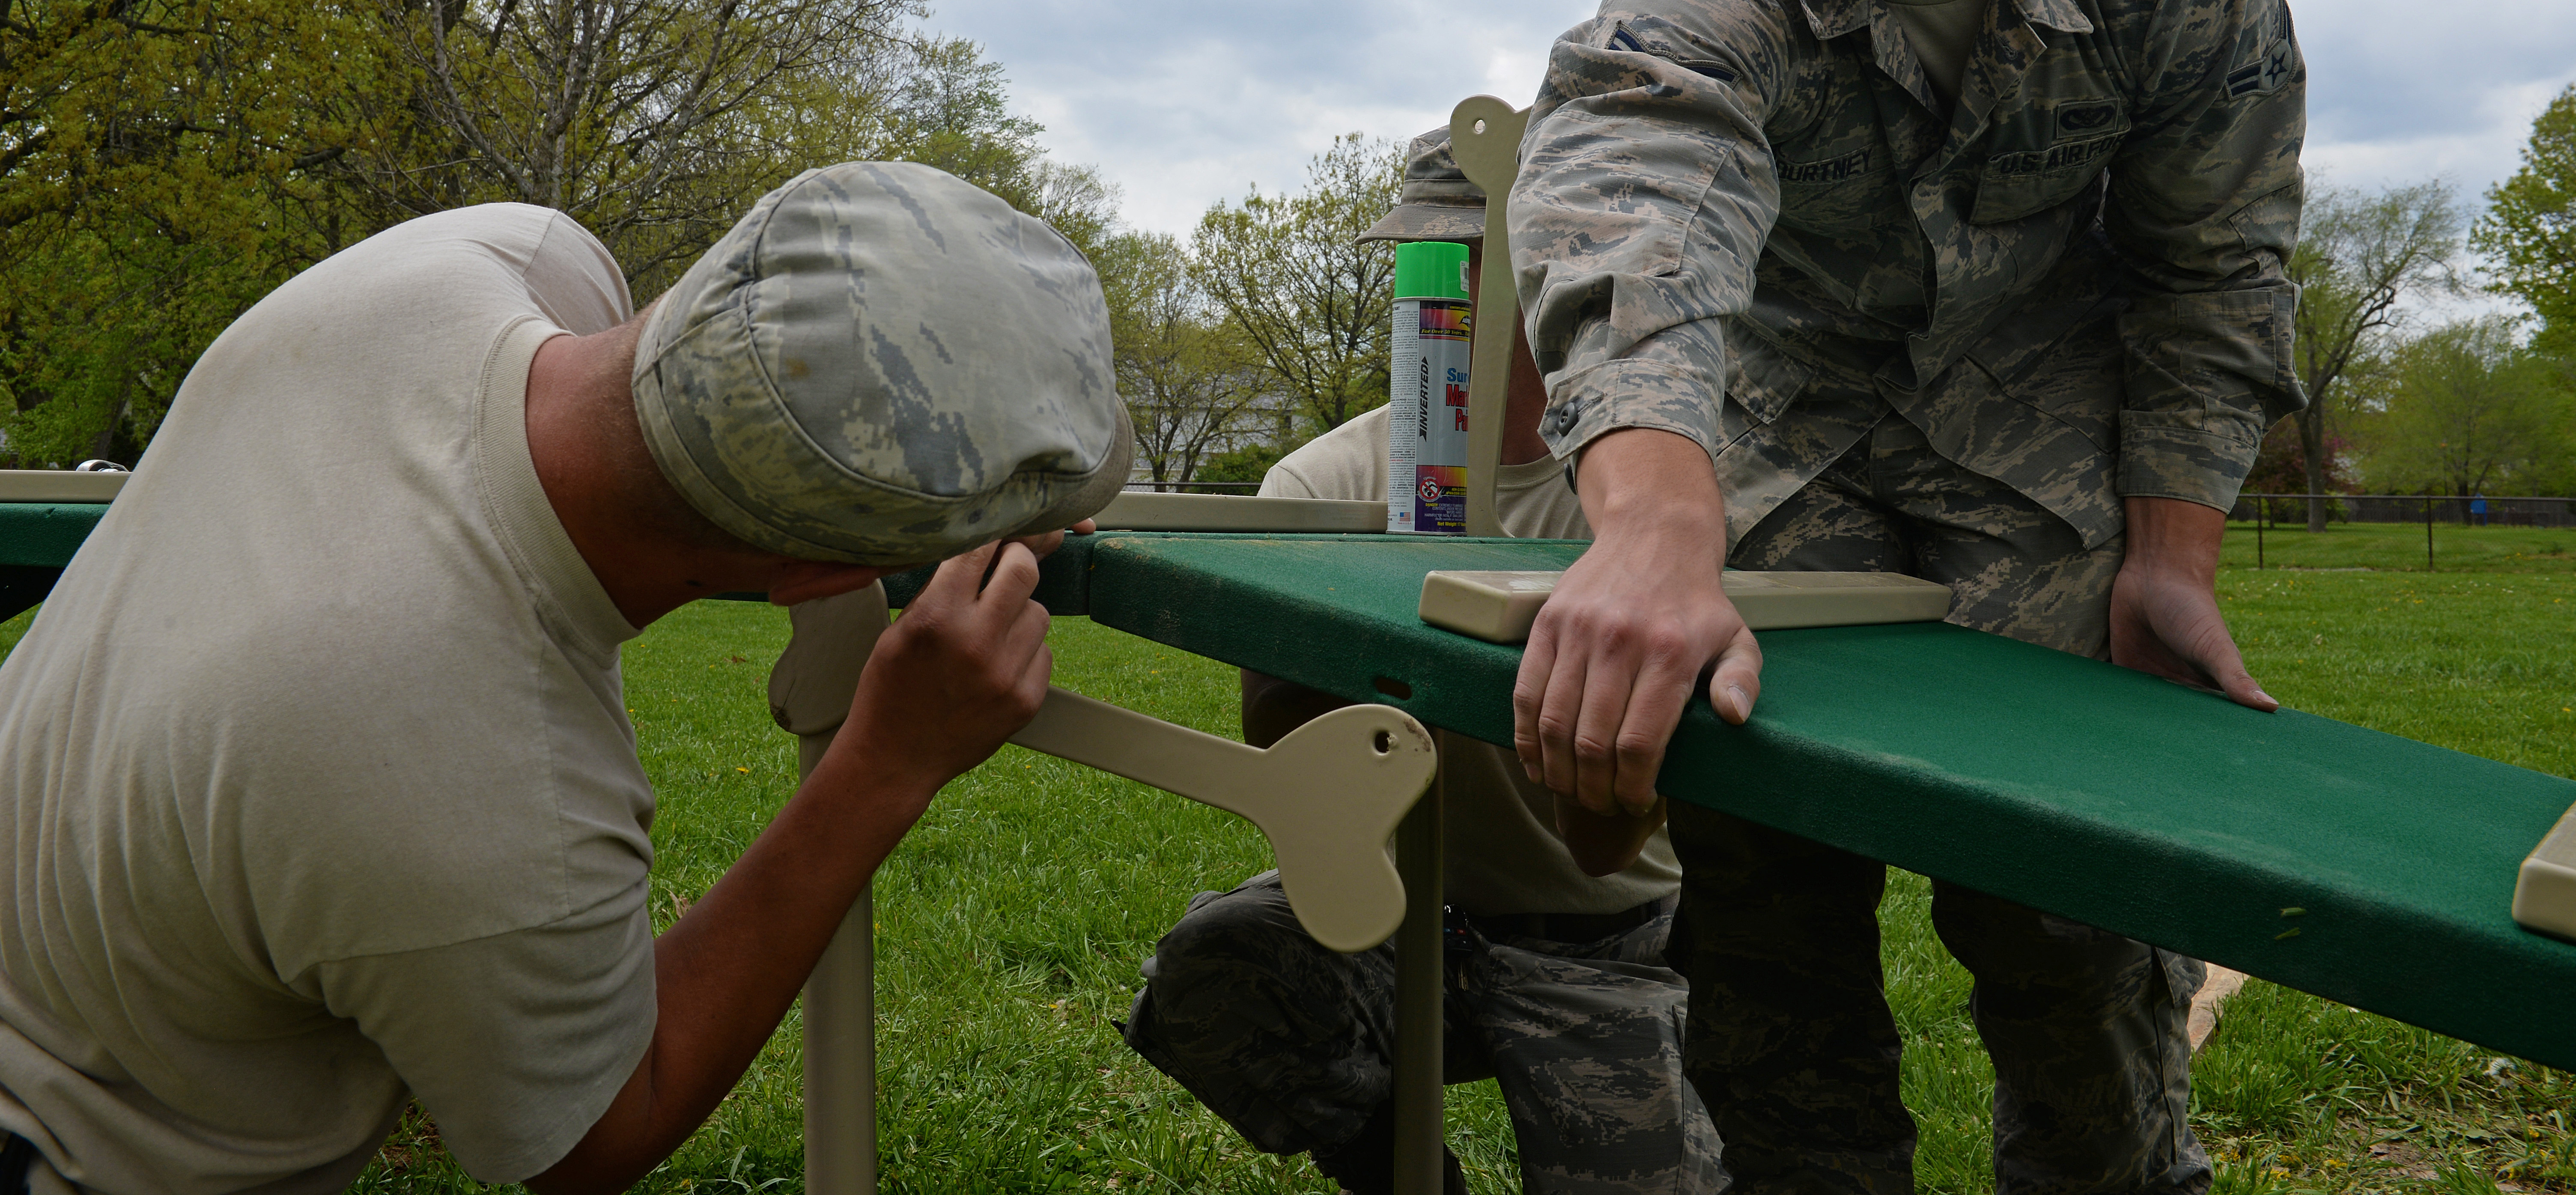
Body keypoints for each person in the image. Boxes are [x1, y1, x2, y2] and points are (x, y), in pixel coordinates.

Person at [1506, 0, 2305, 1195]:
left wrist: (2172, 555)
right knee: (1765, 927)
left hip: (2039, 466)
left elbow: (2210, 265)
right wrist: (1654, 531)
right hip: (1774, 451)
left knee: (2078, 928)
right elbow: (1629, 202)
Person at [0, 162, 1132, 1194]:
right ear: (809, 579)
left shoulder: (492, 259)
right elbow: (600, 1133)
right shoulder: (463, 796)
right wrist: (886, 763)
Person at [1121, 129, 1722, 1195]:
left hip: (1607, 935)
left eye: (1465, 263)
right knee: (1221, 962)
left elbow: (1608, 835)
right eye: (1417, 261)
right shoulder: (1323, 484)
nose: (1432, 293)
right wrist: (1382, 599)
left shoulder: (1651, 502)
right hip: (1405, 917)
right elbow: (1288, 743)